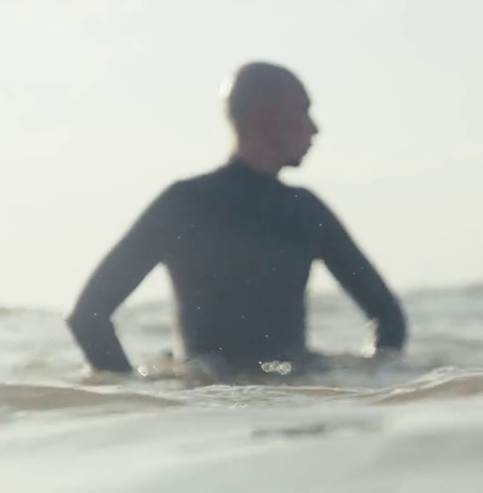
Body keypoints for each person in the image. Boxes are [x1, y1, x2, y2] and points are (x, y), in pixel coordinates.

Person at [67, 62, 407, 376]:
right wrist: (364, 384)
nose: (315, 128)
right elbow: (390, 321)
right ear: (266, 119)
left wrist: (137, 398)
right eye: (303, 112)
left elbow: (88, 318)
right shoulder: (303, 211)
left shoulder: (182, 204)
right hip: (296, 405)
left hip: (205, 412)